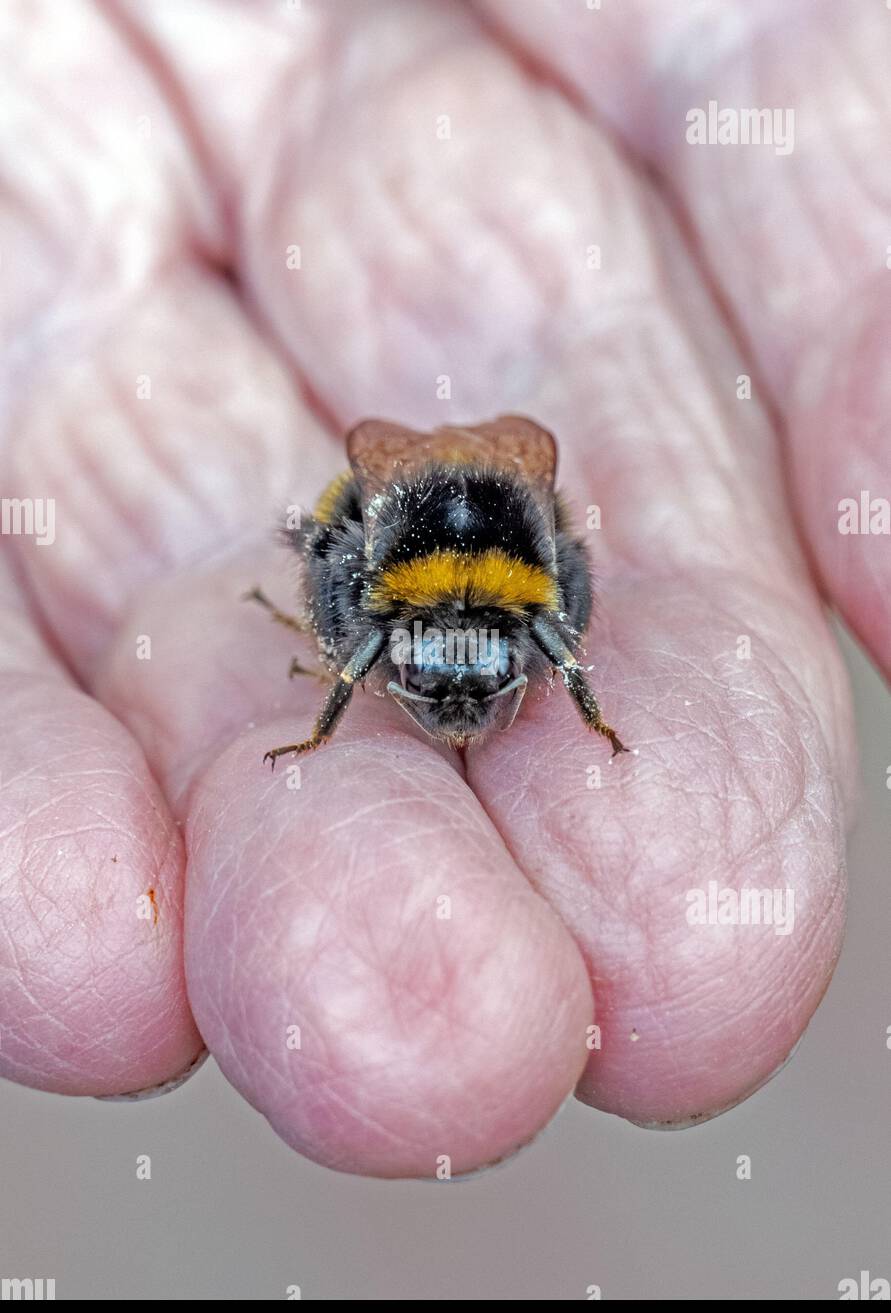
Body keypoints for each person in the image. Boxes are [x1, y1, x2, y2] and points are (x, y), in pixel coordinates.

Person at [0, 0, 886, 1177]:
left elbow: (552, 565)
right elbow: (425, 557)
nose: (457, 672)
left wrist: (572, 672)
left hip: (484, 532)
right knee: (337, 529)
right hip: (428, 525)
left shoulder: (518, 578)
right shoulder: (409, 567)